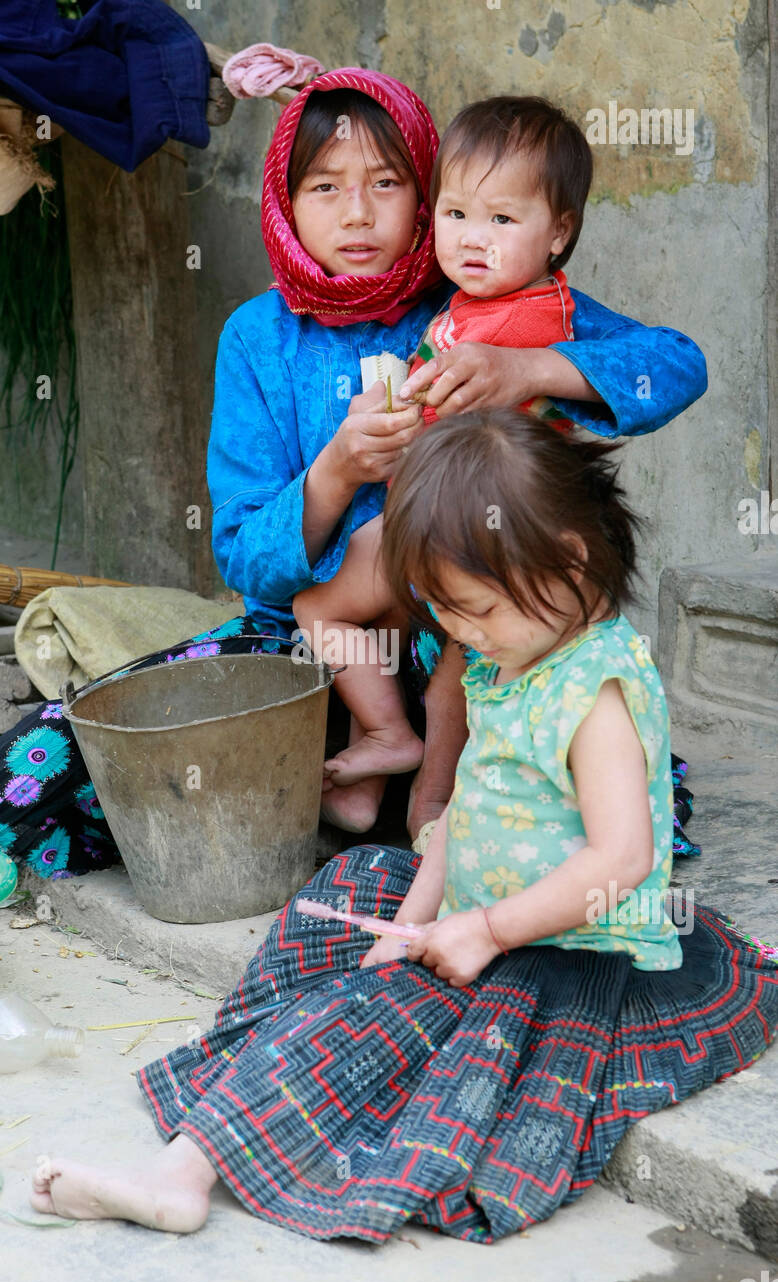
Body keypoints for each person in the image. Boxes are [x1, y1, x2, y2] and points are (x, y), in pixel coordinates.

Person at [0, 67, 707, 872]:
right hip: (310, 647)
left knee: (596, 770)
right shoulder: (259, 339)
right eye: (324, 187)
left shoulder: (480, 291)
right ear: (285, 204)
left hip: (471, 637)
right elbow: (246, 555)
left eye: (388, 183)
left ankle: (417, 800)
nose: (357, 214)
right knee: (128, 729)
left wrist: (533, 372)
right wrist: (335, 471)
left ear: (425, 193)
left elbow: (674, 364)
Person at [29, 409, 778, 1242]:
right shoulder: (516, 658)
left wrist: (487, 930)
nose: (461, 635)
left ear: (568, 560)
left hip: (565, 945)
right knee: (349, 897)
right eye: (445, 615)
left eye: (477, 610)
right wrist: (412, 921)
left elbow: (625, 858)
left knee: (379, 1011)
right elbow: (469, 811)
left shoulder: (591, 692)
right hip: (486, 910)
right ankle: (251, 1087)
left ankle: (184, 1175)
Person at [293, 94, 586, 789]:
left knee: (444, 675)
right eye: (456, 215)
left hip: (484, 535)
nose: (473, 239)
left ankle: (413, 780)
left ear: (558, 232)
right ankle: (398, 762)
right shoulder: (468, 301)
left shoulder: (525, 320)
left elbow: (673, 363)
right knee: (351, 626)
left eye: (502, 219)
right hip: (425, 523)